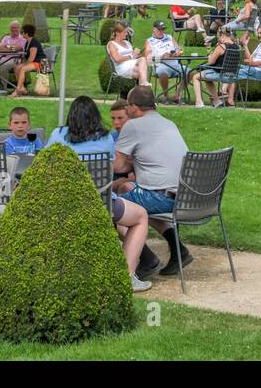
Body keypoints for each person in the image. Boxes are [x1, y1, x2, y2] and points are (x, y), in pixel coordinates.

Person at [46, 95, 153, 291]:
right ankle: (127, 276)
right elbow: (111, 171)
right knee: (141, 216)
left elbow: (46, 165)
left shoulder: (57, 135)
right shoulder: (105, 138)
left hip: (63, 205)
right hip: (101, 205)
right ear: (96, 116)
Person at [114, 85, 191, 278]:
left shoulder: (133, 125)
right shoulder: (168, 123)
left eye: (127, 108)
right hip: (185, 196)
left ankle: (147, 260)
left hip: (160, 197)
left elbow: (118, 167)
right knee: (135, 197)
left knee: (114, 208)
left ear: (133, 107)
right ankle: (178, 250)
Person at [192, 26, 236, 108]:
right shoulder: (237, 47)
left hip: (220, 74)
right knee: (206, 77)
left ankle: (199, 102)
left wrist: (210, 56)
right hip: (232, 75)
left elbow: (211, 61)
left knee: (195, 77)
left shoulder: (222, 46)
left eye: (219, 36)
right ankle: (216, 101)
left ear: (222, 35)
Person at [144, 20, 184, 103]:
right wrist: (162, 57)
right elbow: (148, 60)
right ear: (154, 30)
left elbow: (178, 48)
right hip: (161, 65)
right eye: (159, 30)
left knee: (189, 72)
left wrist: (177, 52)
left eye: (163, 29)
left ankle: (177, 95)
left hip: (175, 64)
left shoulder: (169, 37)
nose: (162, 32)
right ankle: (166, 96)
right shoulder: (149, 41)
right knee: (162, 72)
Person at [107, 21, 150, 88]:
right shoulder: (112, 44)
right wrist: (131, 56)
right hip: (121, 67)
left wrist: (139, 53)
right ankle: (144, 88)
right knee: (143, 68)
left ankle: (142, 89)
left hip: (131, 65)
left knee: (142, 71)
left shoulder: (127, 43)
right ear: (117, 33)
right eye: (124, 32)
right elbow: (117, 59)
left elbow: (133, 57)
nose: (126, 34)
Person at [8, 23, 46, 97]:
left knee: (22, 69)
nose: (21, 34)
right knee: (16, 67)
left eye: (22, 32)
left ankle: (18, 90)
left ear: (27, 33)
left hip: (41, 63)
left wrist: (23, 64)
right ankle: (22, 88)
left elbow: (31, 59)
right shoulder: (27, 42)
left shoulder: (34, 43)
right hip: (35, 62)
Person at [0, 20, 27, 89]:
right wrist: (12, 48)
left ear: (19, 28)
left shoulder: (22, 38)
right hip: (1, 59)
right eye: (12, 27)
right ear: (10, 28)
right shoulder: (6, 38)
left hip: (15, 60)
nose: (14, 29)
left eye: (16, 27)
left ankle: (3, 88)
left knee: (3, 66)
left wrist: (7, 47)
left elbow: (20, 48)